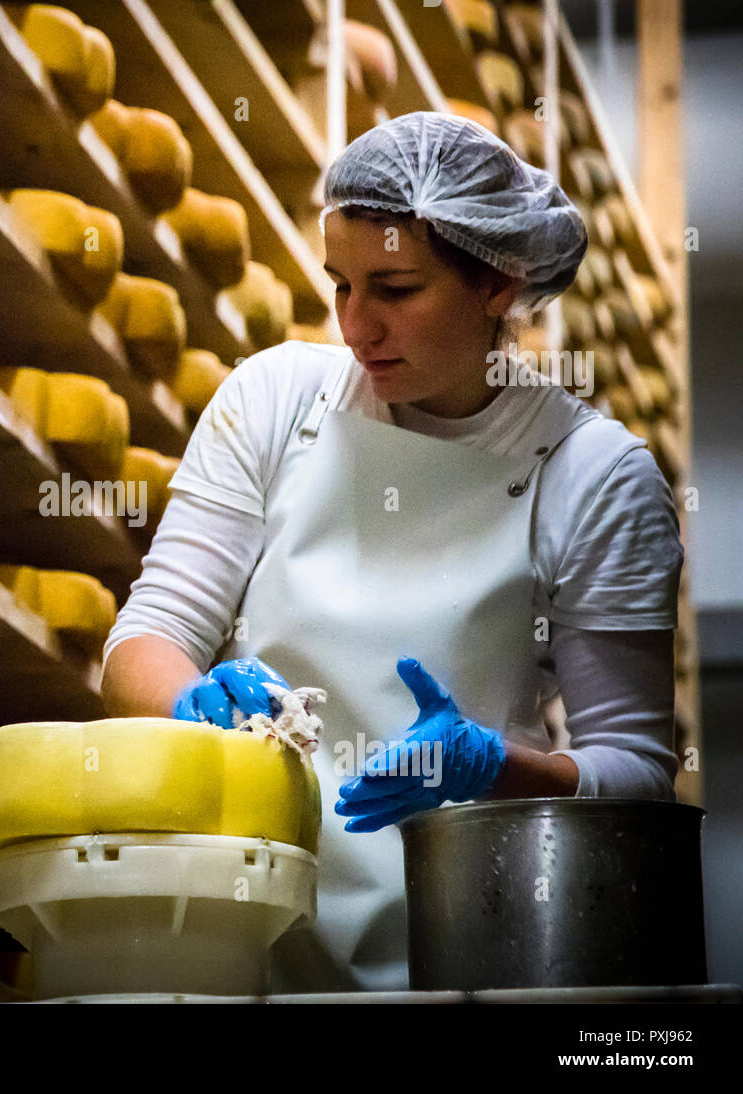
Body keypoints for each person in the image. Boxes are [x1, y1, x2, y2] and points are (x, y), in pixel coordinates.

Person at [99, 112, 683, 992]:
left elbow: (637, 778)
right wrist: (189, 698)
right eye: (340, 286)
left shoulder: (593, 474)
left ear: (499, 281)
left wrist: (492, 766)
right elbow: (143, 639)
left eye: (396, 289)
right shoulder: (273, 400)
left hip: (467, 941)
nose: (356, 328)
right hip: (234, 926)